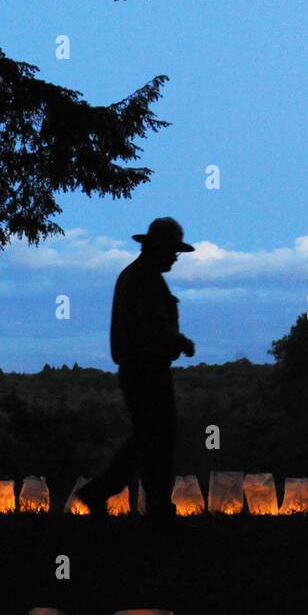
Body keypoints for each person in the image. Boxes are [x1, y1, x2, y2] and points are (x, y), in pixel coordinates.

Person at [75, 217, 196, 522]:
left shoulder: (140, 276)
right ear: (159, 248)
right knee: (157, 438)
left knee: (149, 438)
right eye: (172, 250)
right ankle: (150, 505)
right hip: (146, 369)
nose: (175, 257)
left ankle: (107, 493)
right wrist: (180, 341)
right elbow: (153, 325)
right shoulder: (144, 279)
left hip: (142, 368)